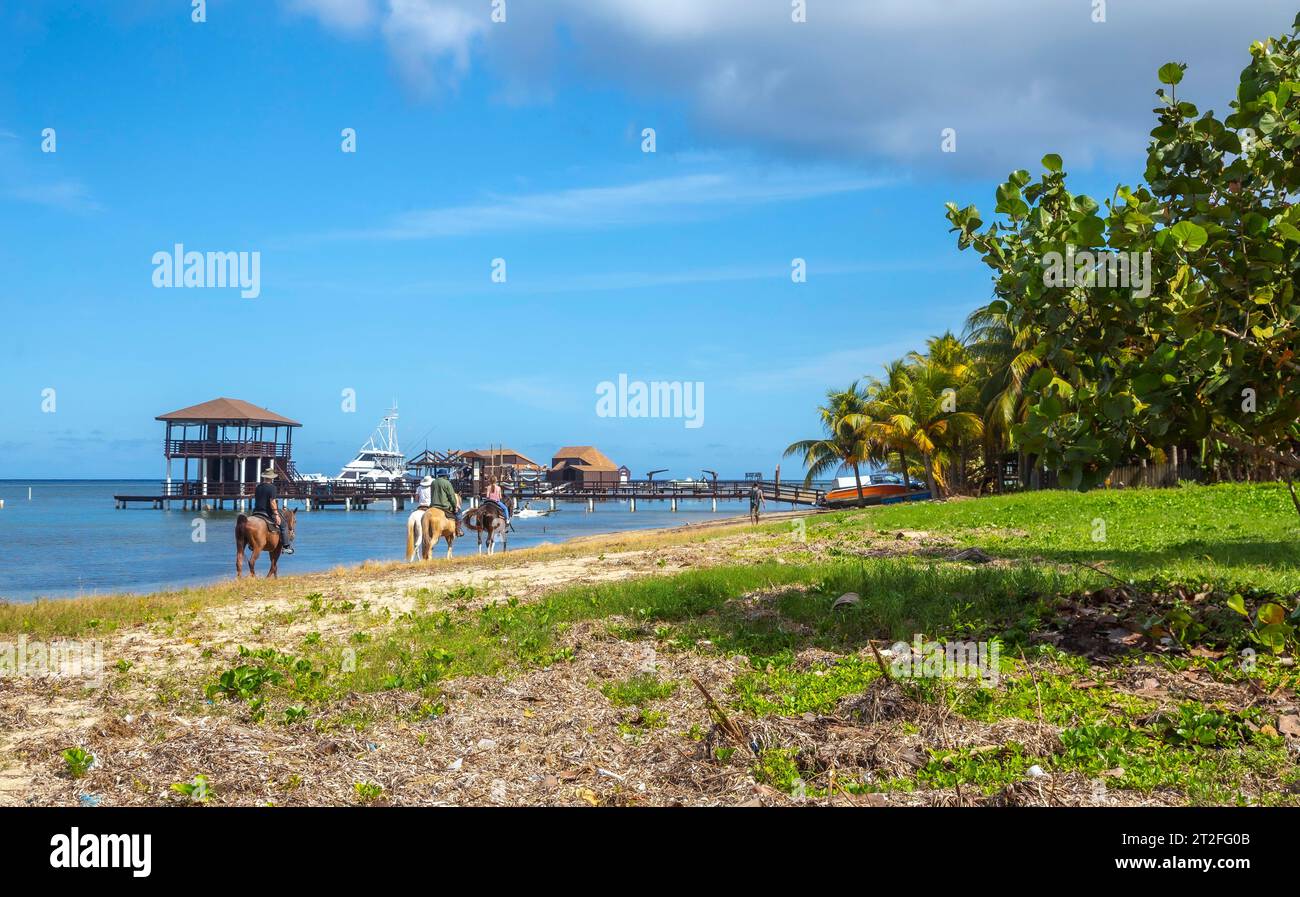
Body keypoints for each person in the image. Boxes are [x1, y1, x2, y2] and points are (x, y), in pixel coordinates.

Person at [254, 468, 294, 554]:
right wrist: (276, 514)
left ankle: (251, 544)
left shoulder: (258, 487)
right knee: (284, 525)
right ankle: (286, 546)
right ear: (271, 478)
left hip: (256, 512)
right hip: (267, 512)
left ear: (264, 477)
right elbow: (272, 502)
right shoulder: (272, 488)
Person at [430, 470, 463, 536]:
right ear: (445, 476)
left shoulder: (433, 482)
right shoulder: (447, 483)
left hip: (433, 505)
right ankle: (458, 530)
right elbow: (451, 496)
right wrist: (454, 506)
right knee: (459, 513)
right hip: (444, 506)